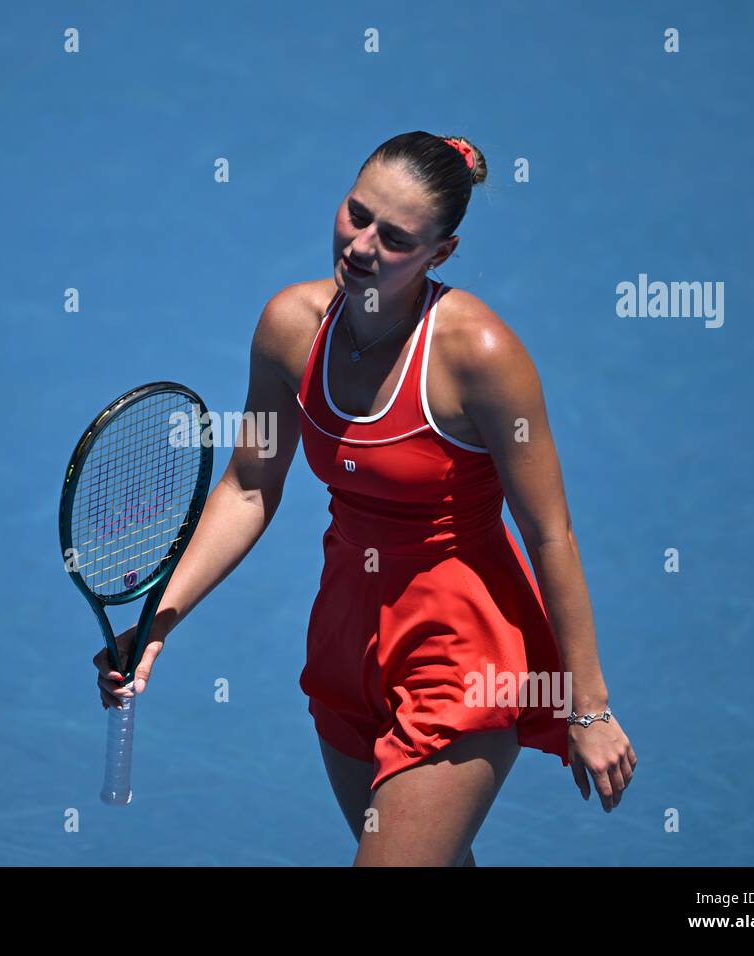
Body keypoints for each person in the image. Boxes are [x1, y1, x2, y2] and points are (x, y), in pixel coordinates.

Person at [93, 131, 636, 866]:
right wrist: (159, 620)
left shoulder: (479, 357)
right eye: (356, 214)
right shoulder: (289, 328)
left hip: (461, 651)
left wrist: (589, 704)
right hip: (346, 640)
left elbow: (550, 534)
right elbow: (251, 483)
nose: (360, 244)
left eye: (396, 237)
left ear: (440, 255)